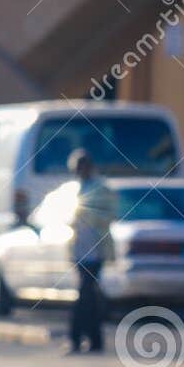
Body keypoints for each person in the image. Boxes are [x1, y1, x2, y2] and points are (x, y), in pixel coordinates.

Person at [67, 149, 114, 355]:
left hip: (96, 251)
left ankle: (76, 338)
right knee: (90, 297)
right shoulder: (74, 190)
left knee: (85, 296)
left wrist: (90, 217)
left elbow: (109, 214)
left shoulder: (100, 188)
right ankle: (94, 340)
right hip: (80, 252)